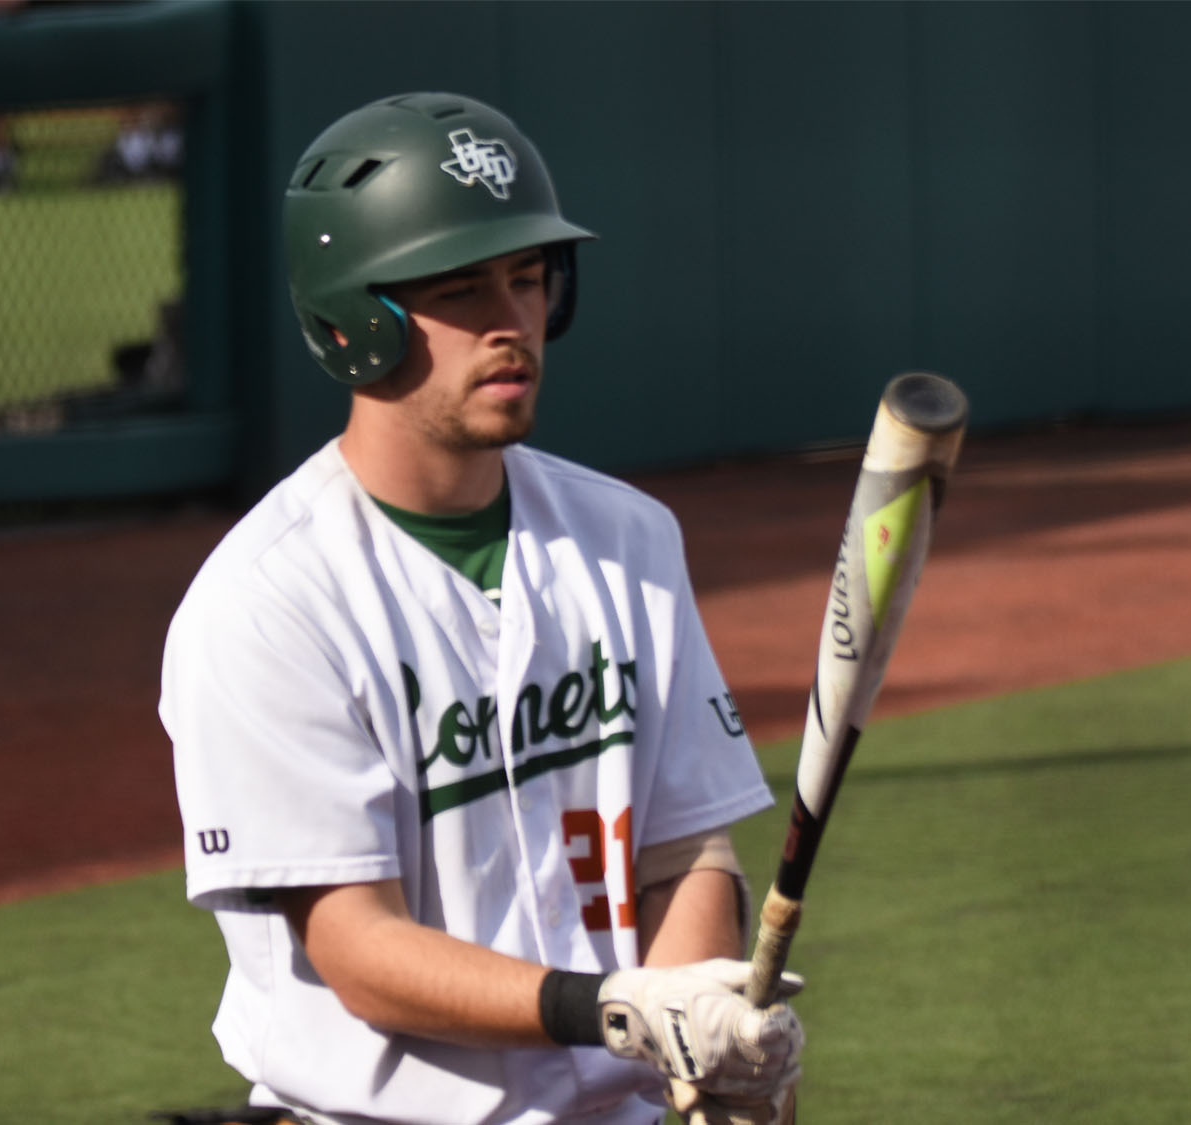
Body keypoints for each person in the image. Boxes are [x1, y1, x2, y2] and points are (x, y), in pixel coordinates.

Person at [158, 92, 805, 1125]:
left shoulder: (629, 540)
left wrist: (697, 1041)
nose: (510, 322)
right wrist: (619, 1009)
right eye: (459, 288)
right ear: (351, 321)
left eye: (529, 276)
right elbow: (360, 951)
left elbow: (683, 848)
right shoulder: (267, 604)